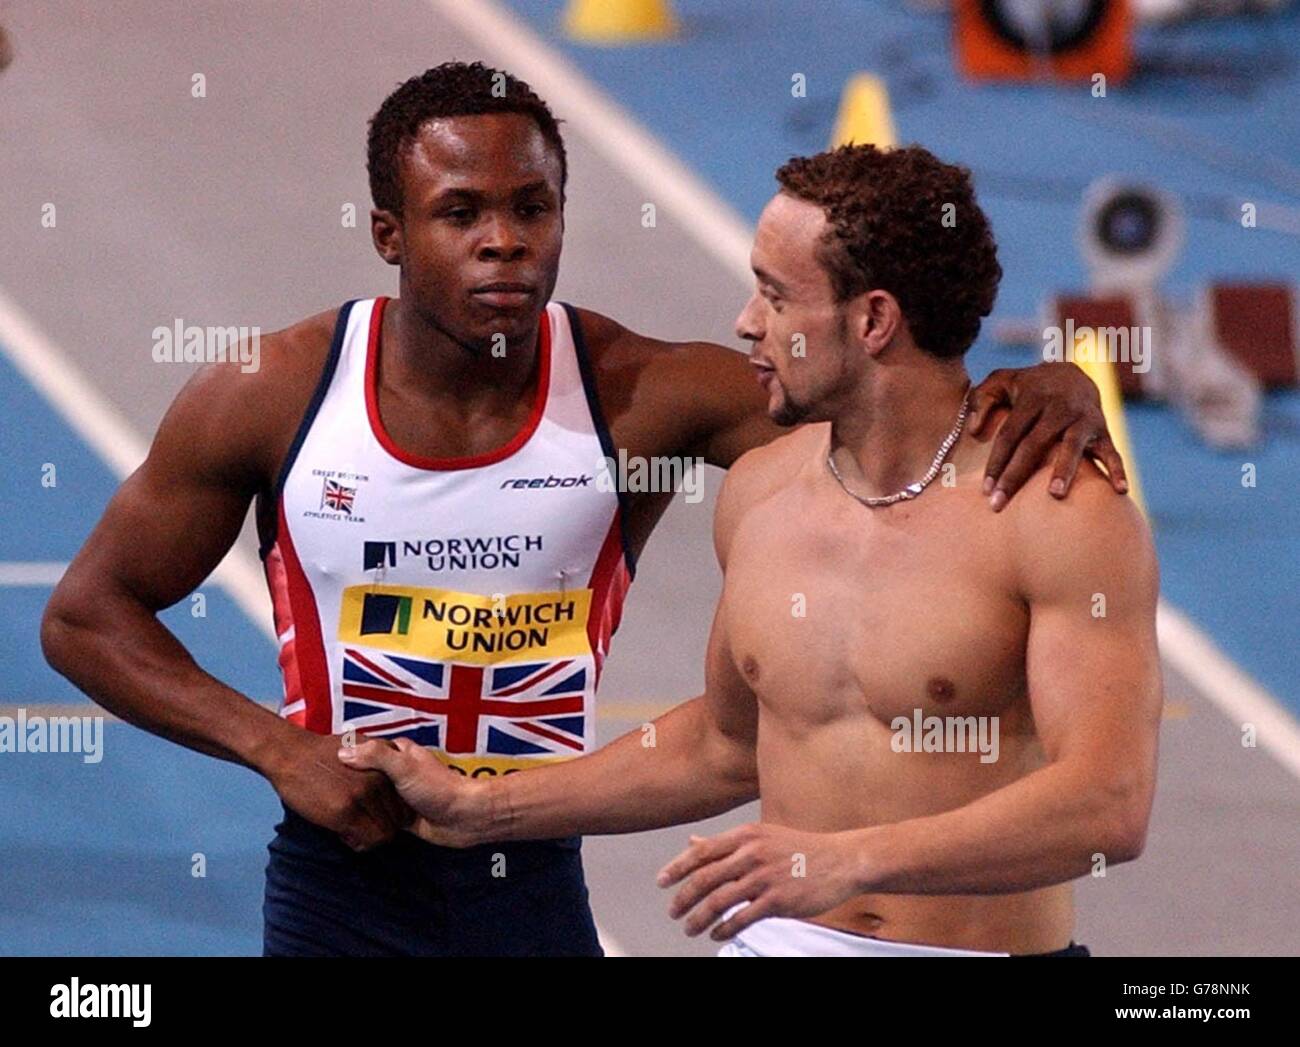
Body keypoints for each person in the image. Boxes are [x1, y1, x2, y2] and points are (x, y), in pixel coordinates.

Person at [43, 63, 1129, 957]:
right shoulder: (270, 391)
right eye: (460, 213)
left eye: (533, 208)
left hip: (530, 875)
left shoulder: (654, 395)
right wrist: (277, 751)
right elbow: (86, 615)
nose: (503, 241)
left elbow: (892, 415)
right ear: (388, 232)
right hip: (341, 880)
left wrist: (1040, 384)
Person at [341, 141, 1161, 958]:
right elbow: (724, 746)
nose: (745, 321)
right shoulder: (761, 492)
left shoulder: (1055, 510)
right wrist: (486, 807)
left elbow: (1107, 803)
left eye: (775, 295)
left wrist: (845, 859)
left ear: (873, 320)